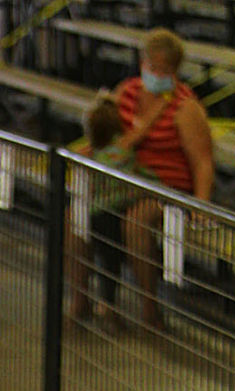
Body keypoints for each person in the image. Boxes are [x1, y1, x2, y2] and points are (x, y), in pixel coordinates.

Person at [114, 30, 214, 329]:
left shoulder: (185, 107)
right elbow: (110, 142)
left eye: (164, 70)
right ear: (143, 63)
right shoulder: (127, 92)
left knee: (137, 221)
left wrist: (201, 204)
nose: (156, 75)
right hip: (126, 181)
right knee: (76, 216)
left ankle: (150, 308)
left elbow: (203, 161)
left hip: (168, 190)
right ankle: (88, 302)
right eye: (152, 67)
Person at [69, 94, 165, 333]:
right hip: (112, 214)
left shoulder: (91, 155)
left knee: (106, 260)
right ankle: (108, 306)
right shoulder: (121, 150)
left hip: (95, 215)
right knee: (110, 260)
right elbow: (140, 137)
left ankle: (105, 303)